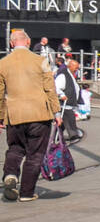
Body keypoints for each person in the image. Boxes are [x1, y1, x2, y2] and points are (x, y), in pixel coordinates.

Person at [0, 29, 61, 202]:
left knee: (15, 148)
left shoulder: (2, 64)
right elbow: (50, 88)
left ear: (12, 43)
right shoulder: (40, 61)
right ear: (28, 42)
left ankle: (10, 174)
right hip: (39, 115)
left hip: (15, 115)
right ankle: (26, 193)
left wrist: (0, 118)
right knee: (35, 154)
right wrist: (56, 112)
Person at [54, 56, 83, 143]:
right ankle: (73, 135)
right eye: (75, 67)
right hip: (64, 104)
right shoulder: (63, 75)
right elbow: (56, 87)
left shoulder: (70, 75)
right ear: (70, 66)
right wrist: (61, 95)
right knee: (70, 119)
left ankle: (56, 135)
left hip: (70, 103)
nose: (77, 69)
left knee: (63, 122)